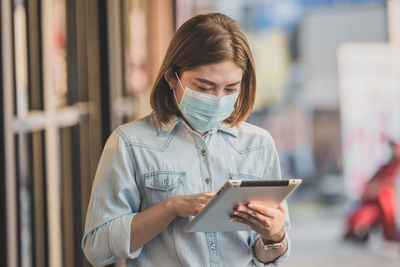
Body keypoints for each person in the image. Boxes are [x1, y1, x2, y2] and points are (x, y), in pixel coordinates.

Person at [82, 13, 290, 267]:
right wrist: (170, 209)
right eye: (204, 87)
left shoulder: (259, 145)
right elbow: (97, 248)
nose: (217, 98)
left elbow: (268, 257)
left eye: (231, 88)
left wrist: (275, 237)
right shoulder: (129, 143)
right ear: (172, 77)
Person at [344, 140, 400, 243]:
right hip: (377, 198)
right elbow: (375, 180)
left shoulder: (394, 167)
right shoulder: (385, 167)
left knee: (389, 226)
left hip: (385, 198)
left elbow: (388, 180)